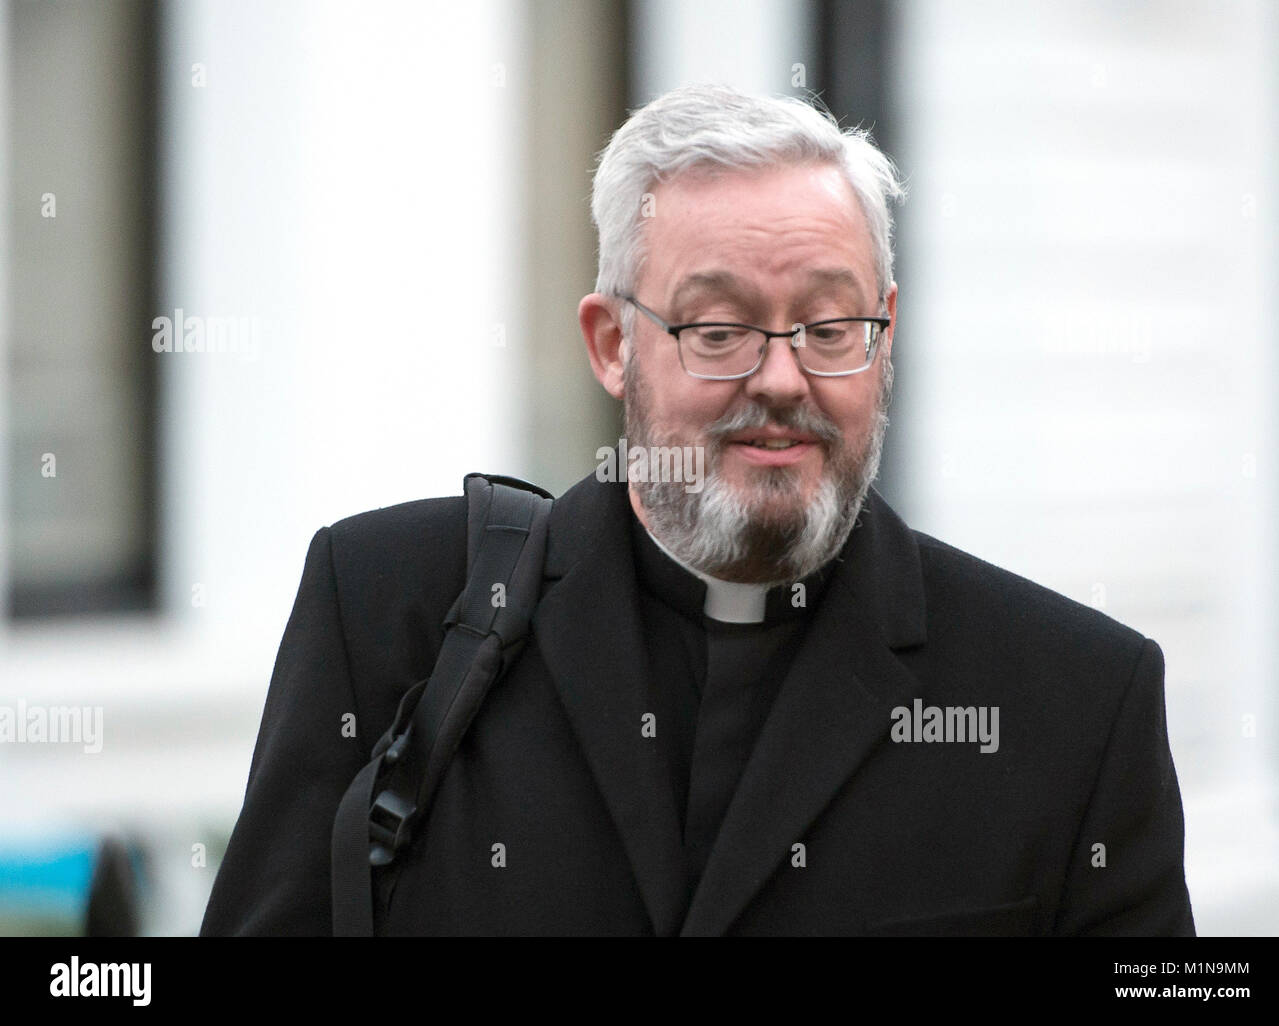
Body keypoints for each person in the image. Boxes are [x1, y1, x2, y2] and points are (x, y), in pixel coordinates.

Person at [200, 83, 1195, 937]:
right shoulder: (389, 613)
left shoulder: (1072, 703)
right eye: (717, 329)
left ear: (883, 336)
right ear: (609, 344)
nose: (780, 377)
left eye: (828, 324)